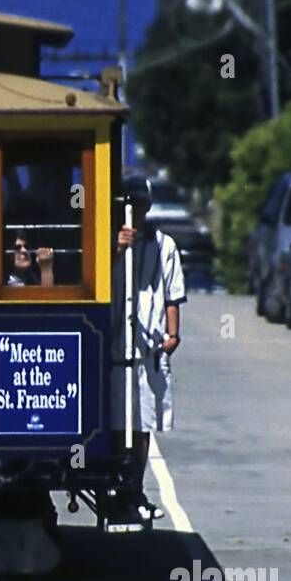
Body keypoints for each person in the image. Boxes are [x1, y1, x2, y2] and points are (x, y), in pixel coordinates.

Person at [109, 174, 185, 522]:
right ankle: (115, 485)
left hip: (149, 345)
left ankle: (134, 487)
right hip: (113, 342)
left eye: (139, 204)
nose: (135, 211)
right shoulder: (109, 239)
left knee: (142, 421)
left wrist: (172, 335)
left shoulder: (163, 244)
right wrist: (117, 248)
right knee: (115, 418)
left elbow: (172, 293)